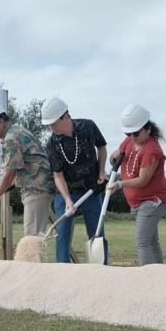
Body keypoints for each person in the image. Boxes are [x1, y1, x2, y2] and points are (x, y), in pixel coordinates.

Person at [41, 98, 110, 264]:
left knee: (97, 232)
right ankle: (62, 269)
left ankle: (102, 269)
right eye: (48, 124)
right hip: (66, 191)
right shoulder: (52, 144)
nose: (51, 127)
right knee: (62, 233)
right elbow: (58, 176)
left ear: (66, 117)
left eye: (53, 123)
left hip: (91, 189)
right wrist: (67, 199)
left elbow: (101, 147)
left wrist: (101, 170)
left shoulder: (88, 126)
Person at [108, 105, 166, 265]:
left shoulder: (152, 150)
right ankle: (159, 275)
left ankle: (146, 278)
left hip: (153, 201)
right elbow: (115, 160)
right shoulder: (129, 141)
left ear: (148, 129)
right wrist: (113, 156)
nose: (132, 137)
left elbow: (143, 180)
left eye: (136, 133)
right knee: (151, 242)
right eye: (128, 133)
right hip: (137, 202)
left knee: (142, 242)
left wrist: (120, 184)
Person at [0, 101, 55, 236]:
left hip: (36, 189)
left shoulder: (11, 138)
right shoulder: (17, 130)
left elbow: (10, 173)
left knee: (32, 238)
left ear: (1, 121)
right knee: (35, 235)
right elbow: (19, 170)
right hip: (37, 187)